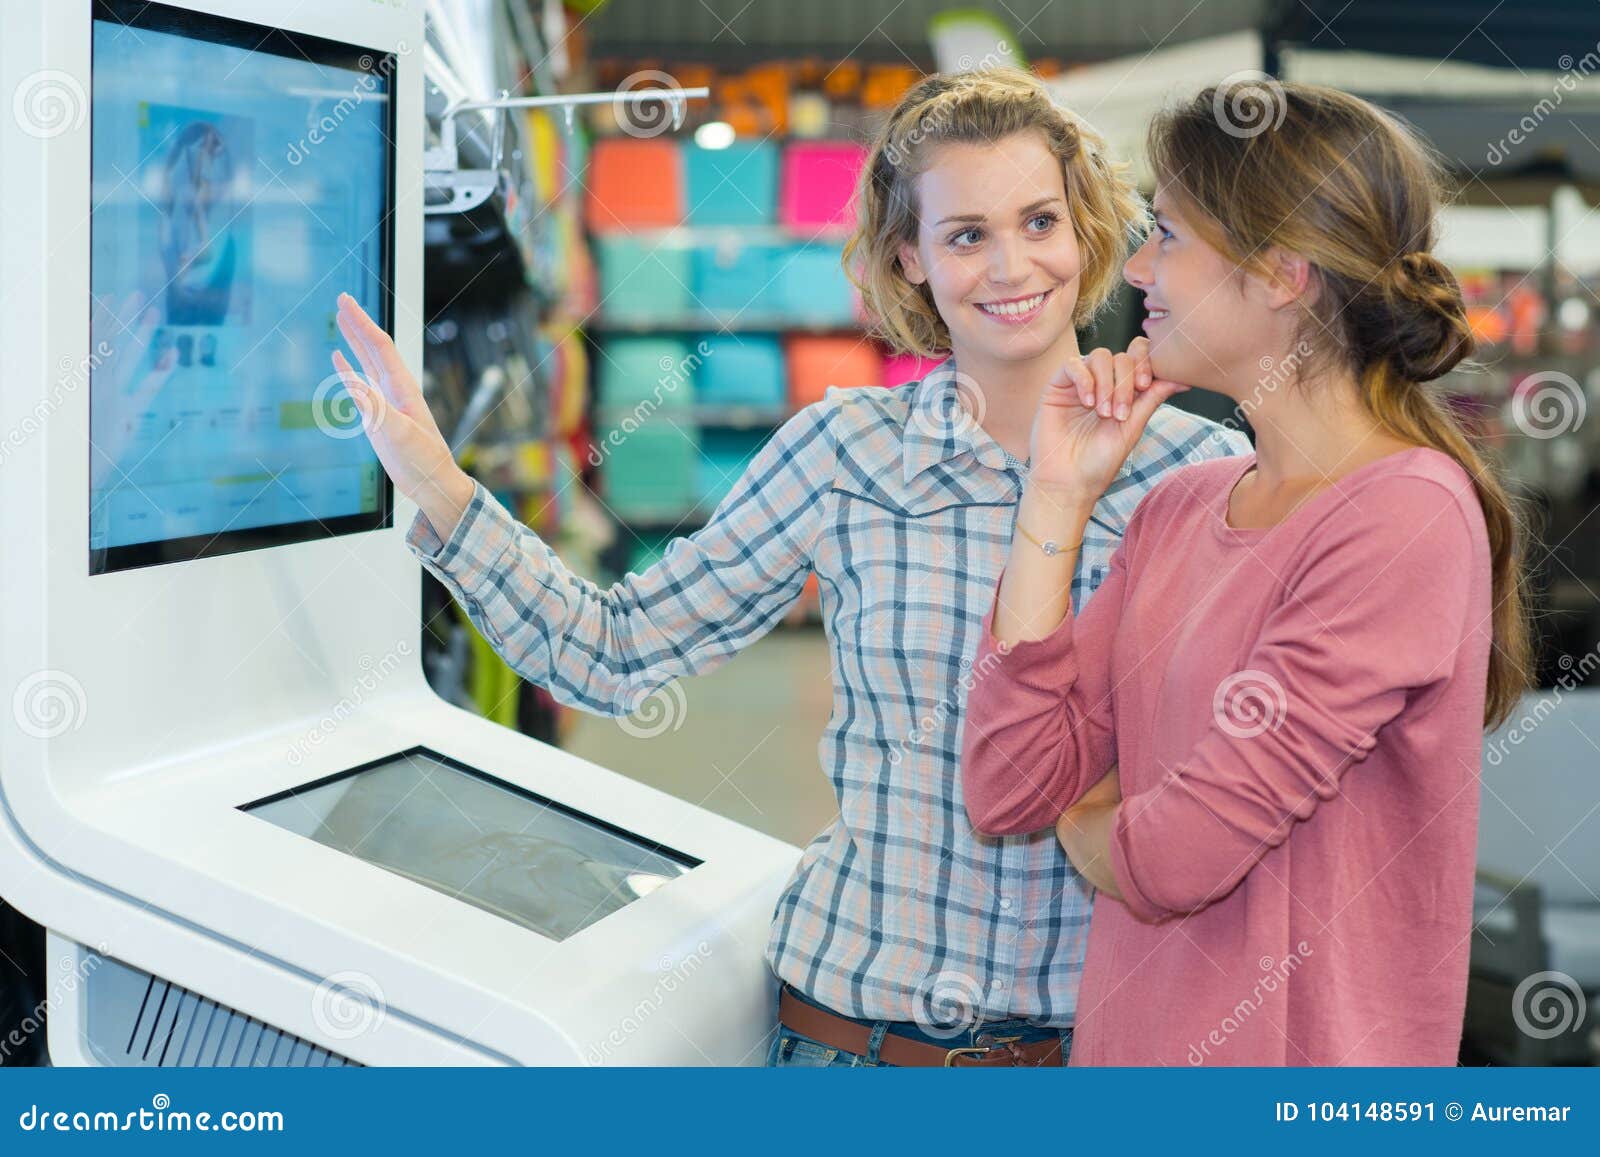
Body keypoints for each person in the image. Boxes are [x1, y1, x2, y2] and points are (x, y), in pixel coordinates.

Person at [329, 68, 1247, 1068]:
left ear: (1085, 232)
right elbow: (612, 650)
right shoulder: (847, 450)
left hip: (1102, 1053)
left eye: (1038, 221)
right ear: (911, 259)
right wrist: (441, 486)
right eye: (965, 234)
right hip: (853, 1044)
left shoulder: (1194, 474)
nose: (1011, 264)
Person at [961, 80, 1531, 1065]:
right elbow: (1007, 783)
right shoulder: (1181, 505)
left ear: (1279, 273)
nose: (1135, 267)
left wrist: (1092, 813)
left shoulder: (1406, 515)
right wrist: (1055, 497)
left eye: (1166, 234)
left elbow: (1178, 855)